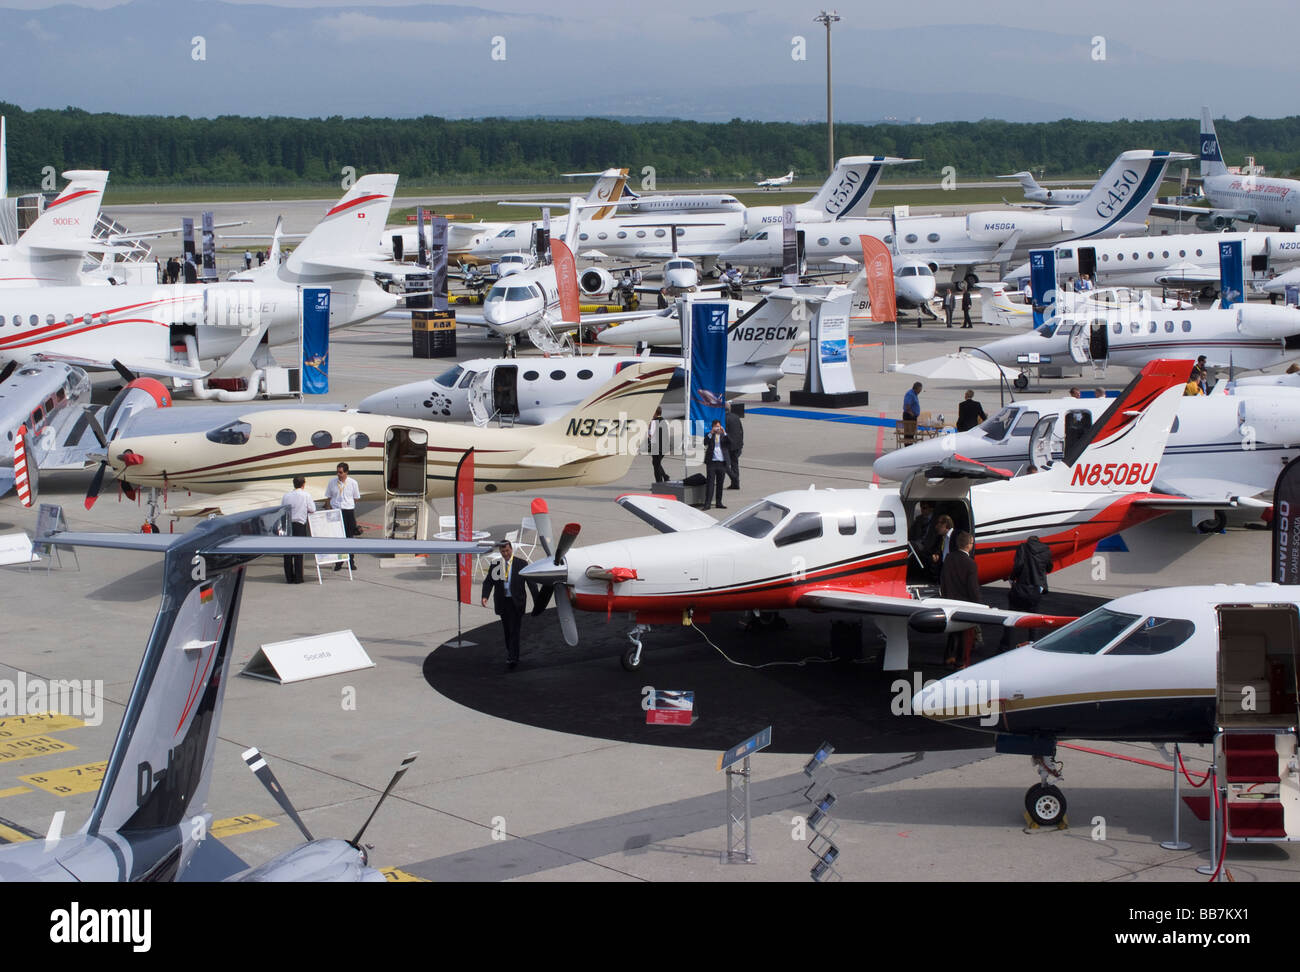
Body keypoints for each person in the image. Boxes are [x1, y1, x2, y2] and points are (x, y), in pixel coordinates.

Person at [481, 540, 529, 671]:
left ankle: (512, 657)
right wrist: (485, 596)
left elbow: (531, 583)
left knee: (515, 630)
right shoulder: (496, 564)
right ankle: (513, 654)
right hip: (503, 602)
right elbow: (488, 582)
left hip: (516, 602)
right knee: (507, 631)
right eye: (503, 551)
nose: (505, 553)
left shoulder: (521, 564)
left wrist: (538, 601)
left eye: (507, 551)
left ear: (511, 549)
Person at [1003, 535, 1052, 651]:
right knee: (1034, 620)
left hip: (1022, 587)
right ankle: (1032, 645)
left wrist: (1012, 578)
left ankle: (1006, 647)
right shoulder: (1046, 550)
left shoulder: (1023, 547)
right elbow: (1049, 568)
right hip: (1036, 590)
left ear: (1028, 541)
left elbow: (1018, 564)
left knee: (1012, 618)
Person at [940, 530, 981, 667]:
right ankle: (960, 661)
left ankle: (948, 656)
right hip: (965, 603)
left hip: (950, 600)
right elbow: (973, 588)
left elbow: (944, 580)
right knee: (964, 634)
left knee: (952, 632)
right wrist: (979, 605)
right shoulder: (971, 564)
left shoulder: (949, 558)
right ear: (969, 545)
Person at [325, 461, 361, 571]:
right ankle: (338, 562)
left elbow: (356, 498)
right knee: (338, 537)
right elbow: (328, 497)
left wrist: (348, 505)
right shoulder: (332, 482)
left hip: (348, 511)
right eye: (337, 472)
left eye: (340, 472)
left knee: (349, 537)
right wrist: (329, 509)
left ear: (346, 472)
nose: (338, 474)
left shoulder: (353, 483)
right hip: (336, 511)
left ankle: (351, 561)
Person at [280, 475, 316, 584]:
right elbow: (312, 509)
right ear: (303, 484)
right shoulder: (306, 495)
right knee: (299, 553)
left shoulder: (286, 496)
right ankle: (298, 578)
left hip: (288, 525)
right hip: (299, 525)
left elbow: (282, 509)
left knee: (287, 553)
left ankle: (289, 577)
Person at [702, 419, 731, 511]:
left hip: (722, 463)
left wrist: (724, 432)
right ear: (713, 427)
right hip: (712, 463)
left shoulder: (724, 435)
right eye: (716, 426)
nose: (717, 428)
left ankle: (719, 502)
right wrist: (711, 432)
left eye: (719, 426)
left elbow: (731, 443)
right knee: (710, 484)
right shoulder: (710, 435)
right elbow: (705, 442)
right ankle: (707, 504)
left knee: (720, 483)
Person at [926, 514, 954, 582]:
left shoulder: (955, 537)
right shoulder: (941, 538)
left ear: (945, 525)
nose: (936, 527)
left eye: (938, 524)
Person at [647, 407, 669, 483]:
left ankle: (659, 483)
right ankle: (665, 477)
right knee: (656, 463)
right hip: (664, 447)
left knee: (656, 466)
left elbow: (650, 435)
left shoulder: (653, 422)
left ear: (655, 413)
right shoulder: (664, 421)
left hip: (656, 447)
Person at [725, 404, 744, 489]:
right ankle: (735, 483)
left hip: (728, 445)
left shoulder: (723, 418)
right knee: (734, 464)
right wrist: (741, 443)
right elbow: (741, 431)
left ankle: (735, 479)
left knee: (724, 465)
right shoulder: (736, 417)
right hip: (737, 444)